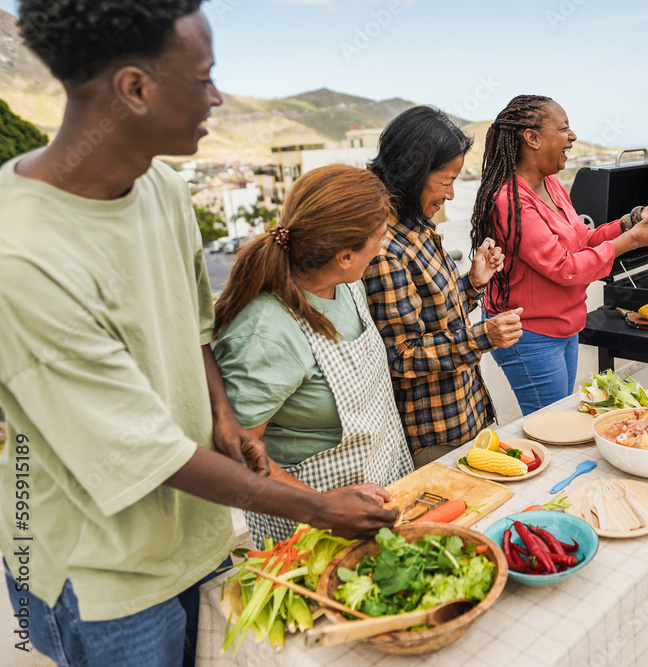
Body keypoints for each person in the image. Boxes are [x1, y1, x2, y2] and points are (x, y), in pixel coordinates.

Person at [0, 3, 396, 665]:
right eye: (204, 77)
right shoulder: (23, 255)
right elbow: (144, 454)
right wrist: (319, 508)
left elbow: (196, 327)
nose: (216, 96)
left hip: (196, 531)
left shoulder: (160, 186)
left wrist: (221, 413)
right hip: (106, 575)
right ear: (135, 88)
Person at [213, 164, 413, 547]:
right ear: (343, 255)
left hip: (383, 475)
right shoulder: (268, 333)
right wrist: (321, 506)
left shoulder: (347, 285)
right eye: (379, 237)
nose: (383, 247)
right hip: (310, 521)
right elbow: (237, 452)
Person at [470, 94, 648, 416]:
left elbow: (582, 239)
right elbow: (564, 267)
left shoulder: (552, 185)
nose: (572, 137)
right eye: (564, 128)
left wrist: (630, 221)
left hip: (566, 325)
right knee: (551, 425)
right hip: (530, 334)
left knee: (561, 418)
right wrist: (632, 241)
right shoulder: (510, 201)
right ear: (532, 138)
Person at [365, 106, 521, 466]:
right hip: (434, 436)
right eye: (447, 180)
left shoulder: (418, 227)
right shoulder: (385, 249)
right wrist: (485, 336)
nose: (450, 195)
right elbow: (402, 356)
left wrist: (473, 283)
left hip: (468, 411)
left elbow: (434, 314)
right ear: (414, 173)